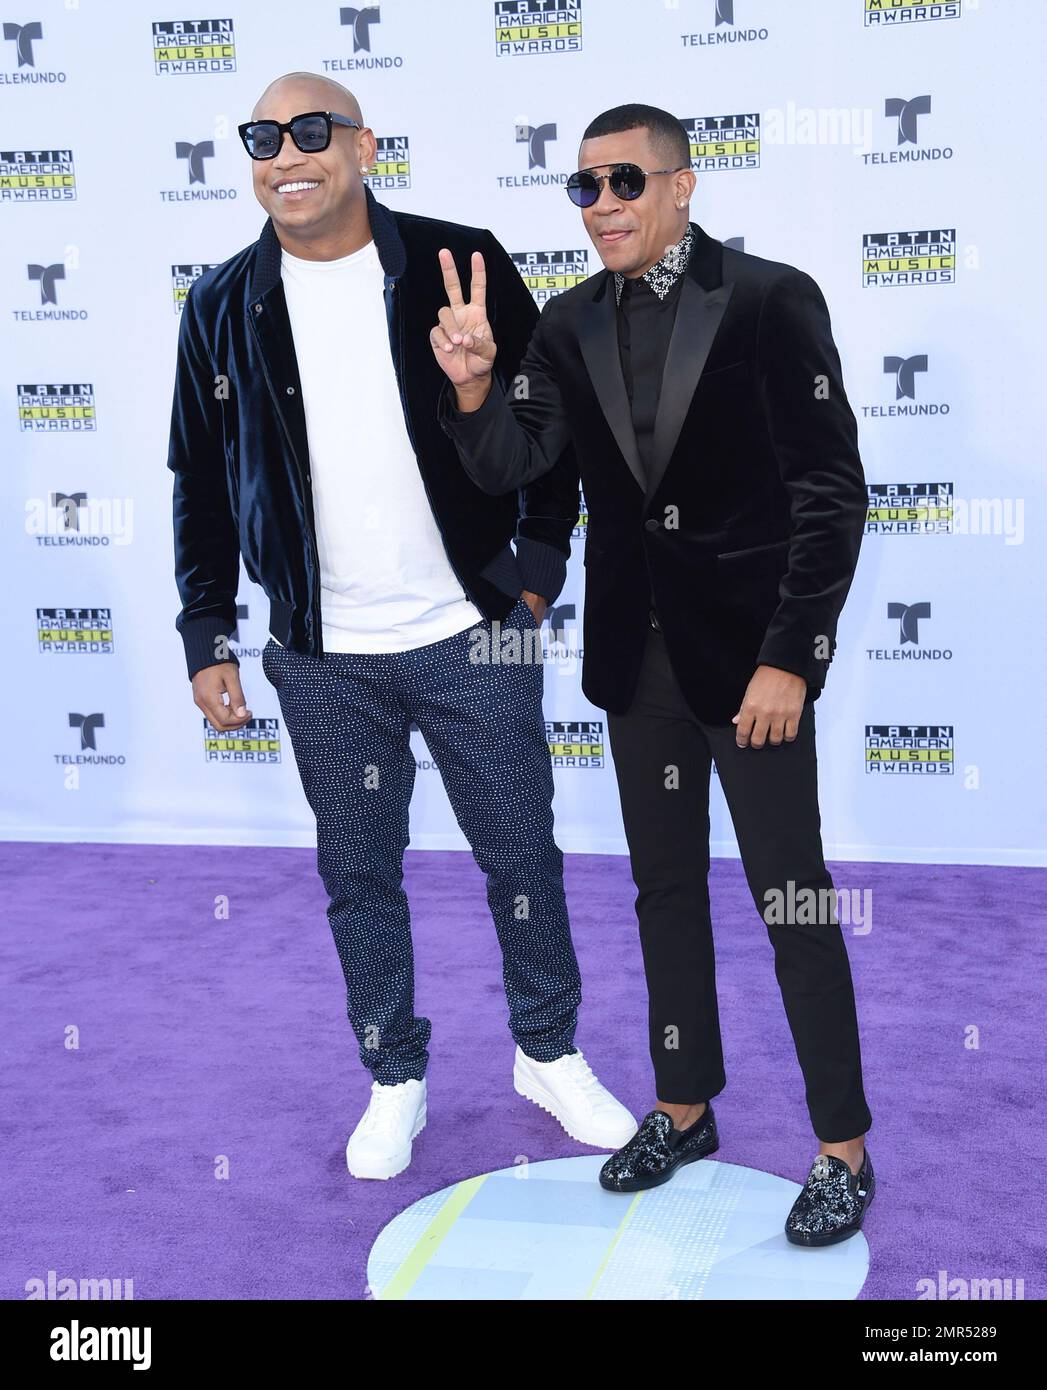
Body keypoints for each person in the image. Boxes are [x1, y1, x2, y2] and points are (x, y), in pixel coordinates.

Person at [167, 72, 636, 1182]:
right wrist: (206, 628)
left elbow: (544, 428)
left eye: (313, 131)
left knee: (521, 855)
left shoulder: (454, 262)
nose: (289, 153)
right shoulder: (222, 305)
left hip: (472, 634)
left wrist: (531, 573)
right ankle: (394, 1077)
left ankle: (549, 1052)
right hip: (323, 661)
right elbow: (199, 480)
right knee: (361, 873)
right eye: (266, 136)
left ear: (366, 147)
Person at [434, 102, 875, 1244]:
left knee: (793, 898)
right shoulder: (567, 324)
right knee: (665, 893)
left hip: (751, 666)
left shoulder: (772, 298)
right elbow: (514, 465)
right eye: (584, 187)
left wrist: (790, 658)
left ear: (683, 185)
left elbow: (830, 493)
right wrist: (477, 386)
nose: (604, 206)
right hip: (640, 667)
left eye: (626, 181)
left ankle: (842, 1146)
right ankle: (685, 1109)